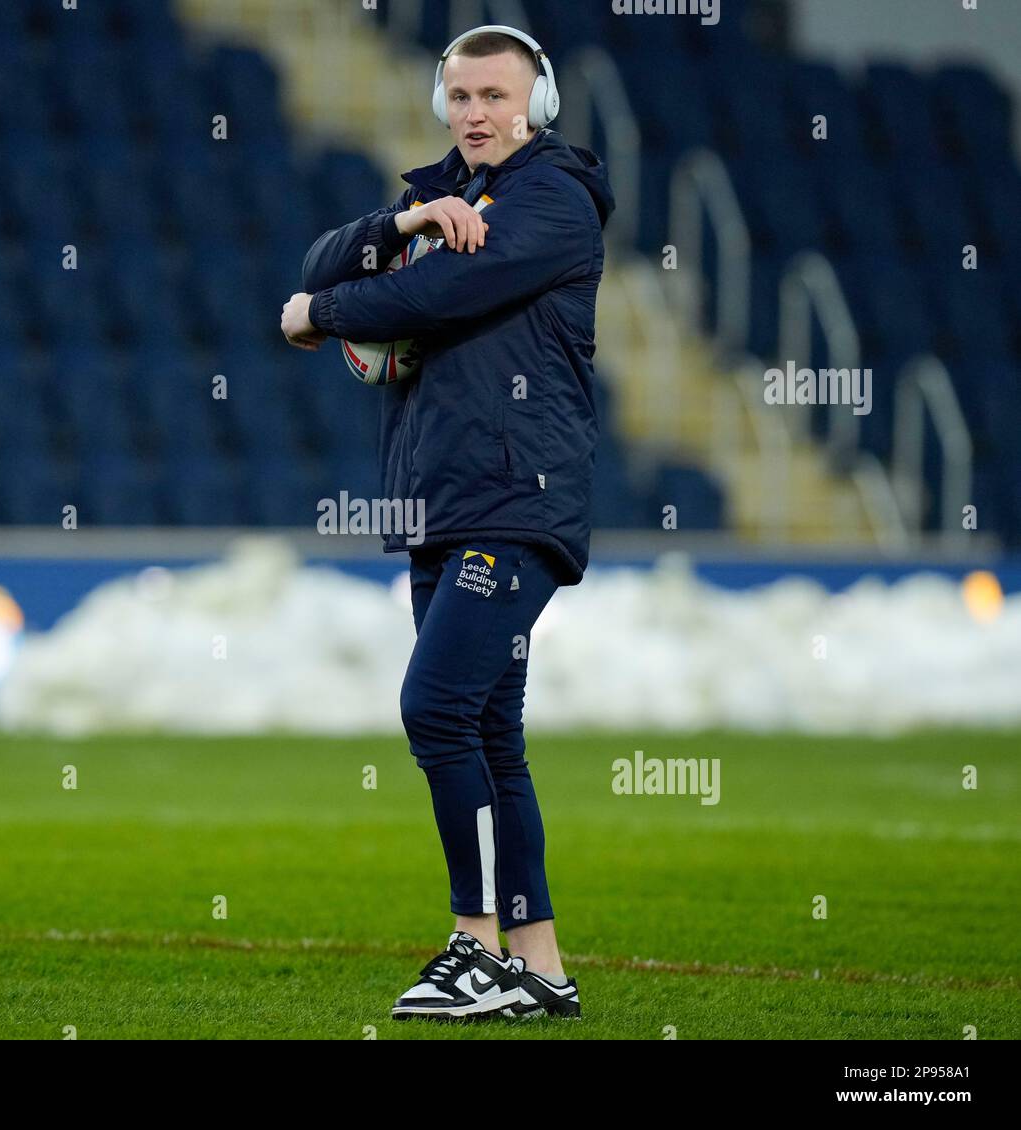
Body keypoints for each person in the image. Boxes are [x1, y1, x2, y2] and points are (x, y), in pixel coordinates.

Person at [283, 25, 614, 1021]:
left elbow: (436, 291)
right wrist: (407, 219)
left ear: (536, 104)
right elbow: (322, 260)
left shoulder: (553, 199)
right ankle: (540, 967)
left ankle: (475, 947)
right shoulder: (442, 194)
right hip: (443, 498)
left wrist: (319, 314)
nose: (474, 114)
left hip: (516, 499)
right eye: (460, 96)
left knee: (434, 708)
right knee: (490, 733)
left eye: (494, 96)